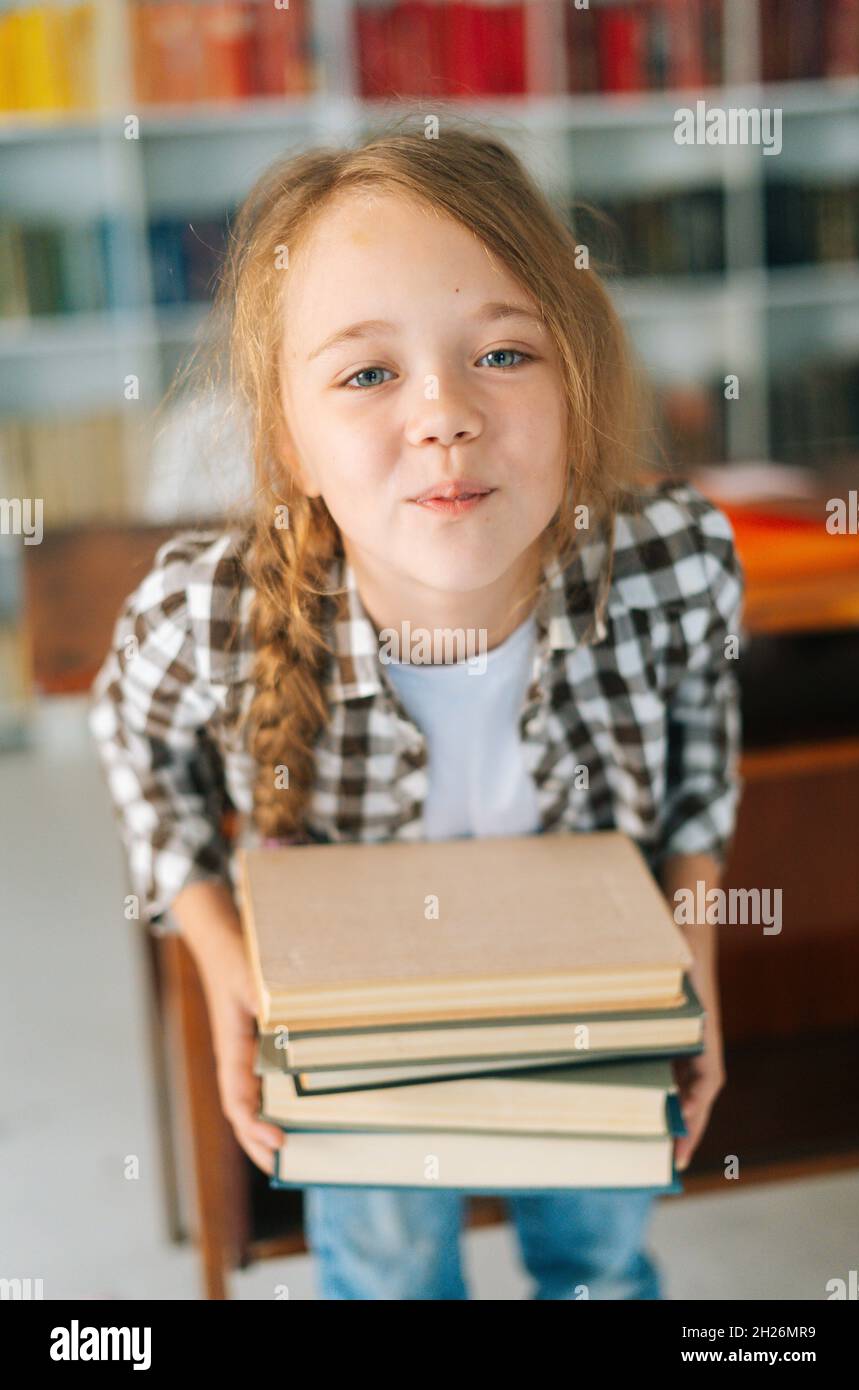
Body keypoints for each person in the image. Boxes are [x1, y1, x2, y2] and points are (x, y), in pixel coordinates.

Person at [88, 120, 744, 1300]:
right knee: (385, 1270)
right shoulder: (209, 612)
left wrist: (688, 949)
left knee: (596, 1254)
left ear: (577, 375)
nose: (442, 412)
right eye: (367, 372)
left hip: (587, 997)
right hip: (357, 1030)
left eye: (501, 353)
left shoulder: (673, 559)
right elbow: (132, 740)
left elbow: (700, 735)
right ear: (290, 441)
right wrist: (227, 960)